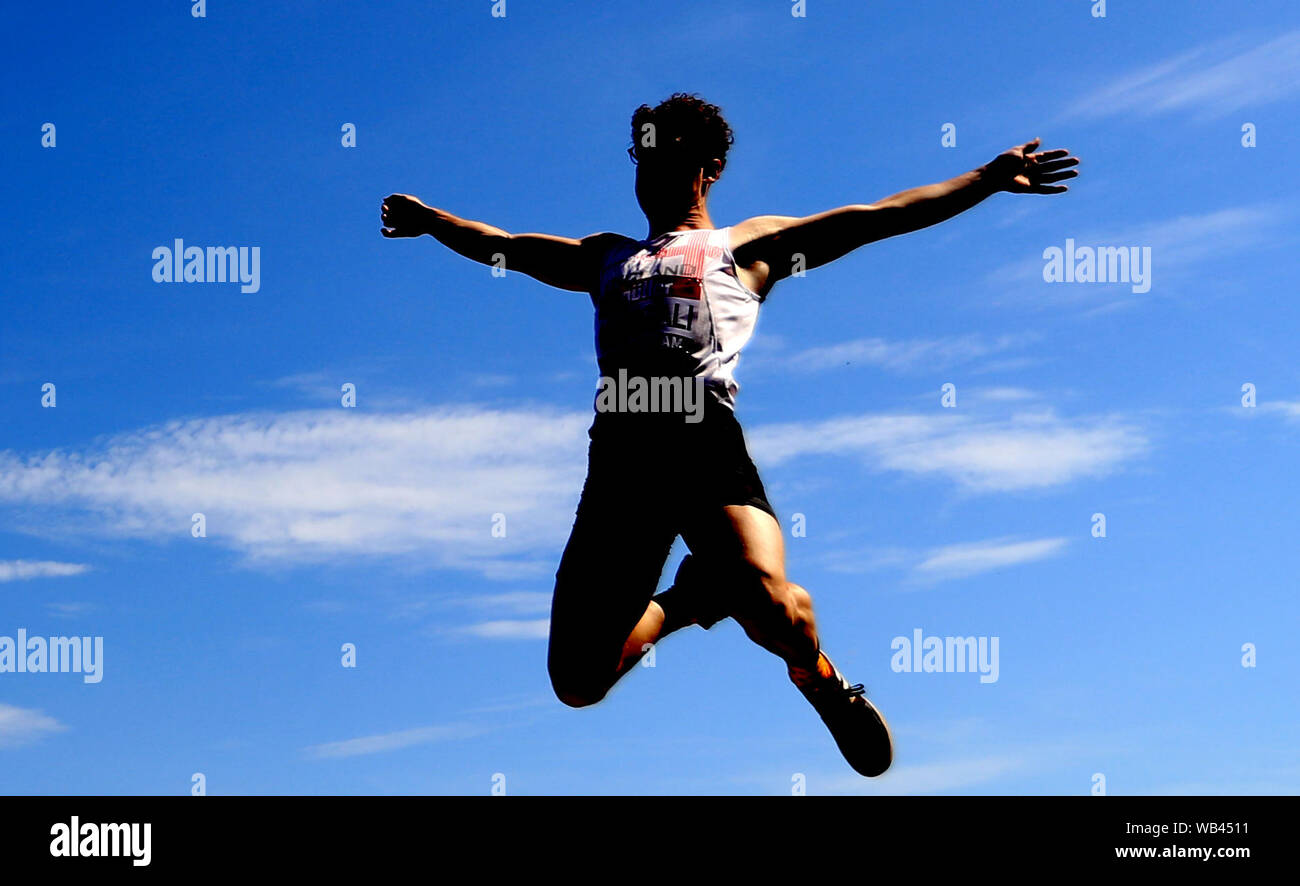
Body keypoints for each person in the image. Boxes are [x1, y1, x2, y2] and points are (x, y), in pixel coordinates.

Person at [381, 93, 1078, 778]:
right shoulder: (604, 257)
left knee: (770, 602)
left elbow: (877, 218)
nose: (649, 169)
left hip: (699, 435)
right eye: (641, 155)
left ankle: (819, 680)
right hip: (620, 458)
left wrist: (984, 179)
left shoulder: (746, 246)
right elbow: (504, 246)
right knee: (577, 681)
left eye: (669, 154)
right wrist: (430, 220)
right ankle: (690, 601)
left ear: (709, 167)